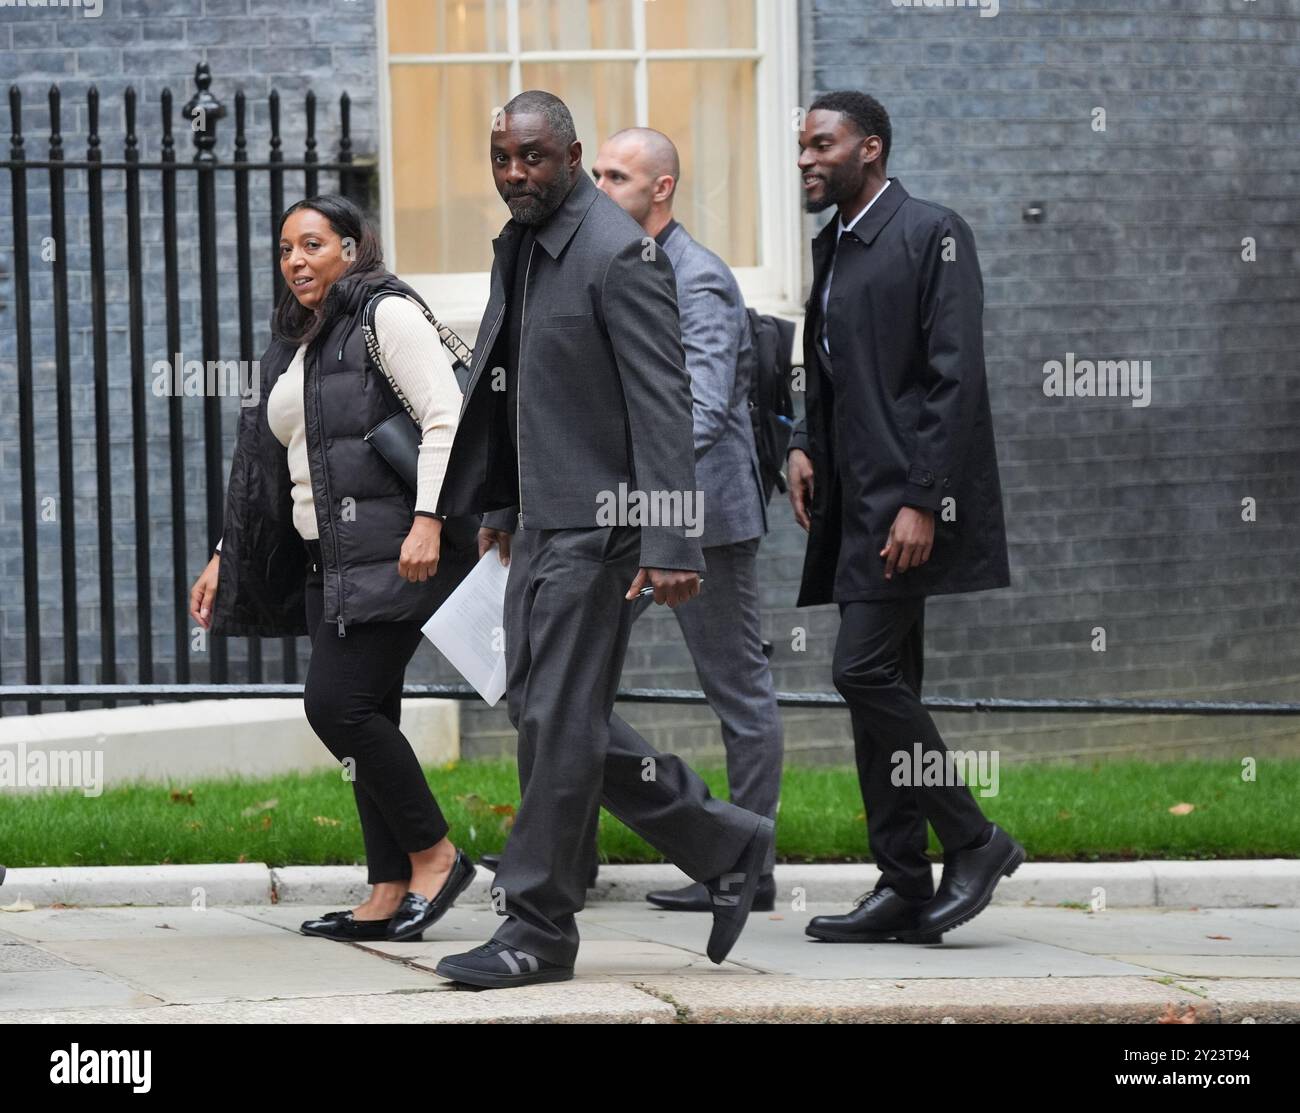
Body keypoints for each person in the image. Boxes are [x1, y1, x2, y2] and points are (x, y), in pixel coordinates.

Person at [431, 91, 773, 989]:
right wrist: (497, 506)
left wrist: (670, 544)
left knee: (556, 716)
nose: (515, 174)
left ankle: (539, 925)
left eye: (533, 158)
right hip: (539, 519)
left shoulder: (620, 255)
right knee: (543, 706)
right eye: (503, 157)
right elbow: (508, 385)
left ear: (573, 155)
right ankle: (723, 840)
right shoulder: (522, 245)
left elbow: (665, 405)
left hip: (604, 527)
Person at [189, 194, 476, 944]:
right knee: (371, 716)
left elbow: (446, 413)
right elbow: (270, 462)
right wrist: (228, 552)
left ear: (352, 248)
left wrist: (429, 519)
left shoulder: (386, 314)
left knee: (336, 707)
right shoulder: (304, 338)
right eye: (285, 249)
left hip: (395, 554)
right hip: (331, 563)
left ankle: (437, 856)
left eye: (312, 244)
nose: (295, 261)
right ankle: (386, 887)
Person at [788, 92, 1022, 945]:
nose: (808, 158)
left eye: (824, 144)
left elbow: (954, 378)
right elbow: (828, 364)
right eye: (803, 146)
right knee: (881, 692)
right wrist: (805, 444)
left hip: (906, 503)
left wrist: (925, 497)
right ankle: (901, 881)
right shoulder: (837, 244)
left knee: (863, 673)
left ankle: (975, 838)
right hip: (853, 504)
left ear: (871, 149)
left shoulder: (932, 232)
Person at [591, 127, 784, 912]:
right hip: (630, 514)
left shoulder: (696, 277)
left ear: (661, 187)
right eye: (596, 171)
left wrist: (625, 482)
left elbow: (701, 409)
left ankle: (751, 866)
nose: (598, 186)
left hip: (702, 518)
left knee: (737, 689)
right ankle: (566, 853)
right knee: (571, 682)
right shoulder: (615, 266)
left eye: (616, 175)